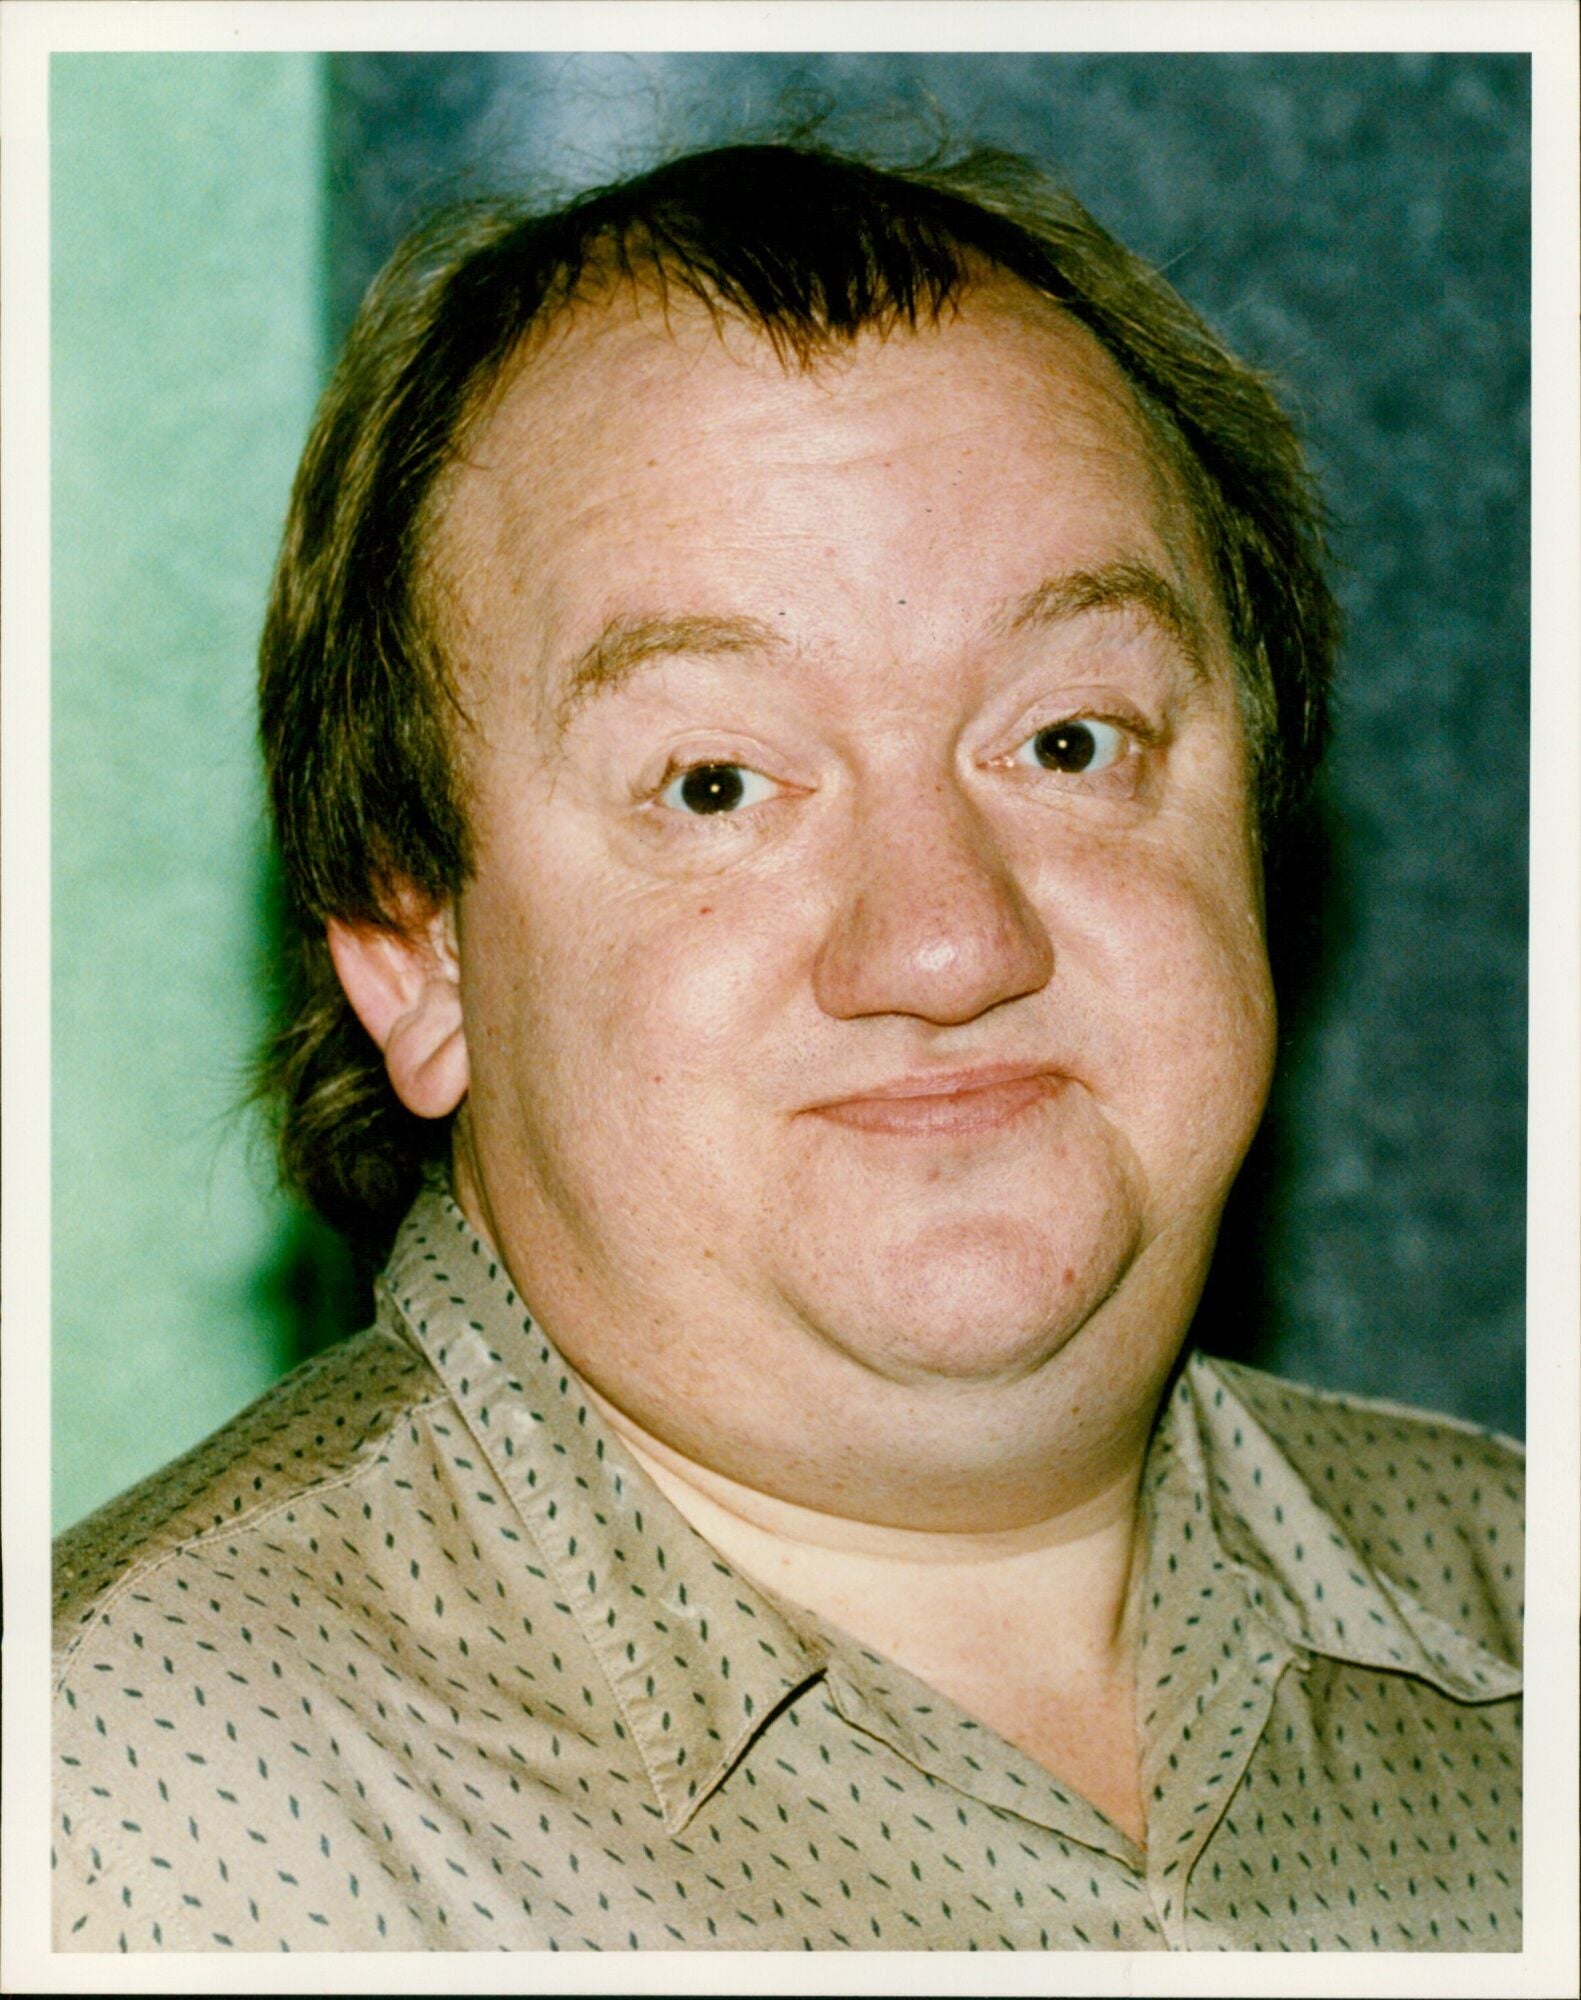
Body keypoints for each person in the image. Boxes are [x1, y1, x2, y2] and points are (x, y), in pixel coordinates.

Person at [52, 142, 1522, 1954]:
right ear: (413, 952)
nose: (946, 939)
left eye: (1066, 743)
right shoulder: (117, 1827)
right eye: (718, 784)